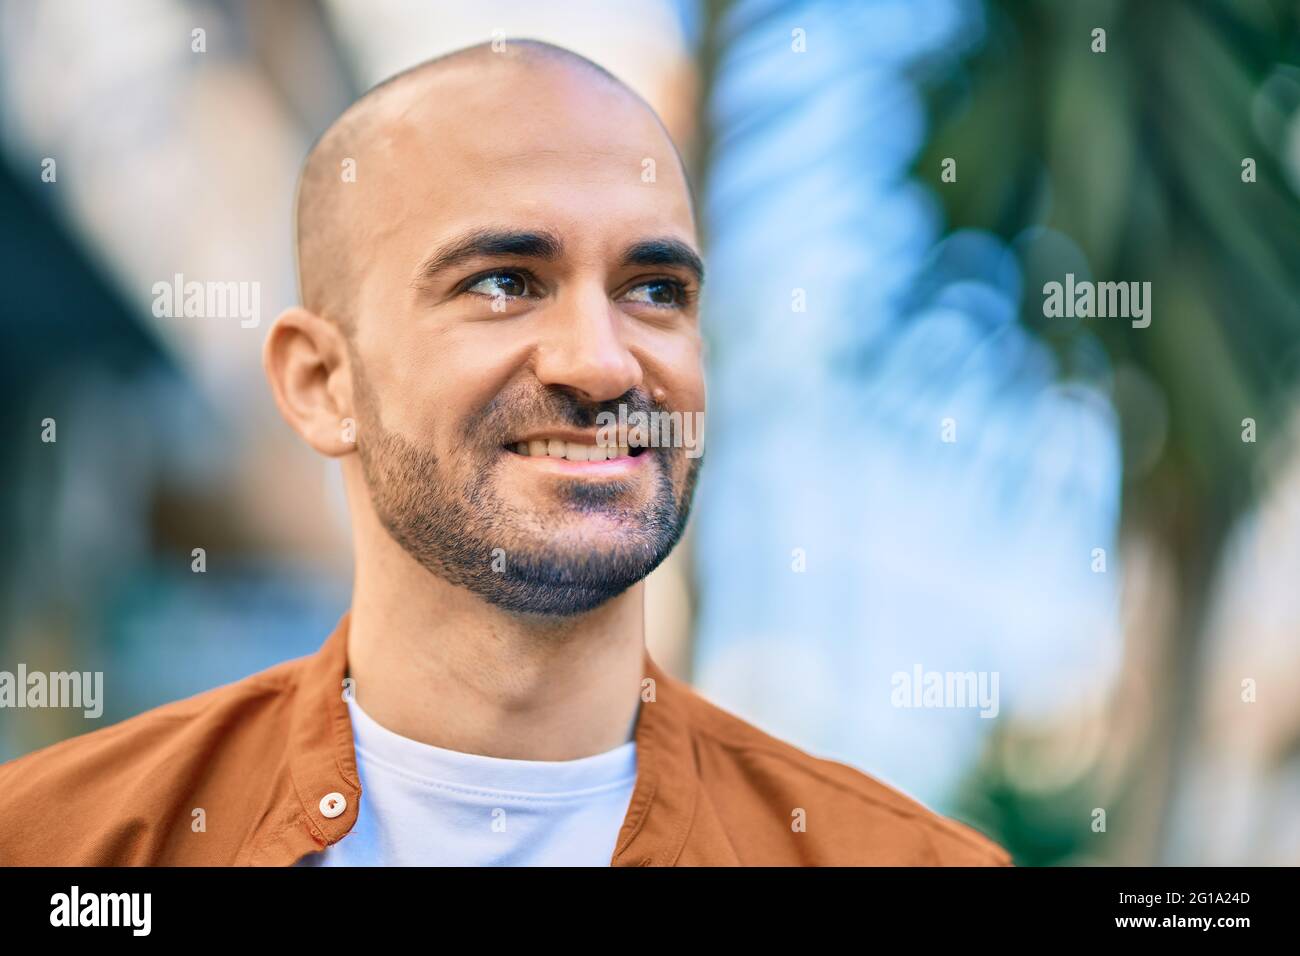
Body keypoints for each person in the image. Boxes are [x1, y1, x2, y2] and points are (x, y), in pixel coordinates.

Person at [0, 39, 1009, 867]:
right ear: (320, 383)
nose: (603, 362)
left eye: (655, 289)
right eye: (504, 280)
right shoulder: (58, 843)